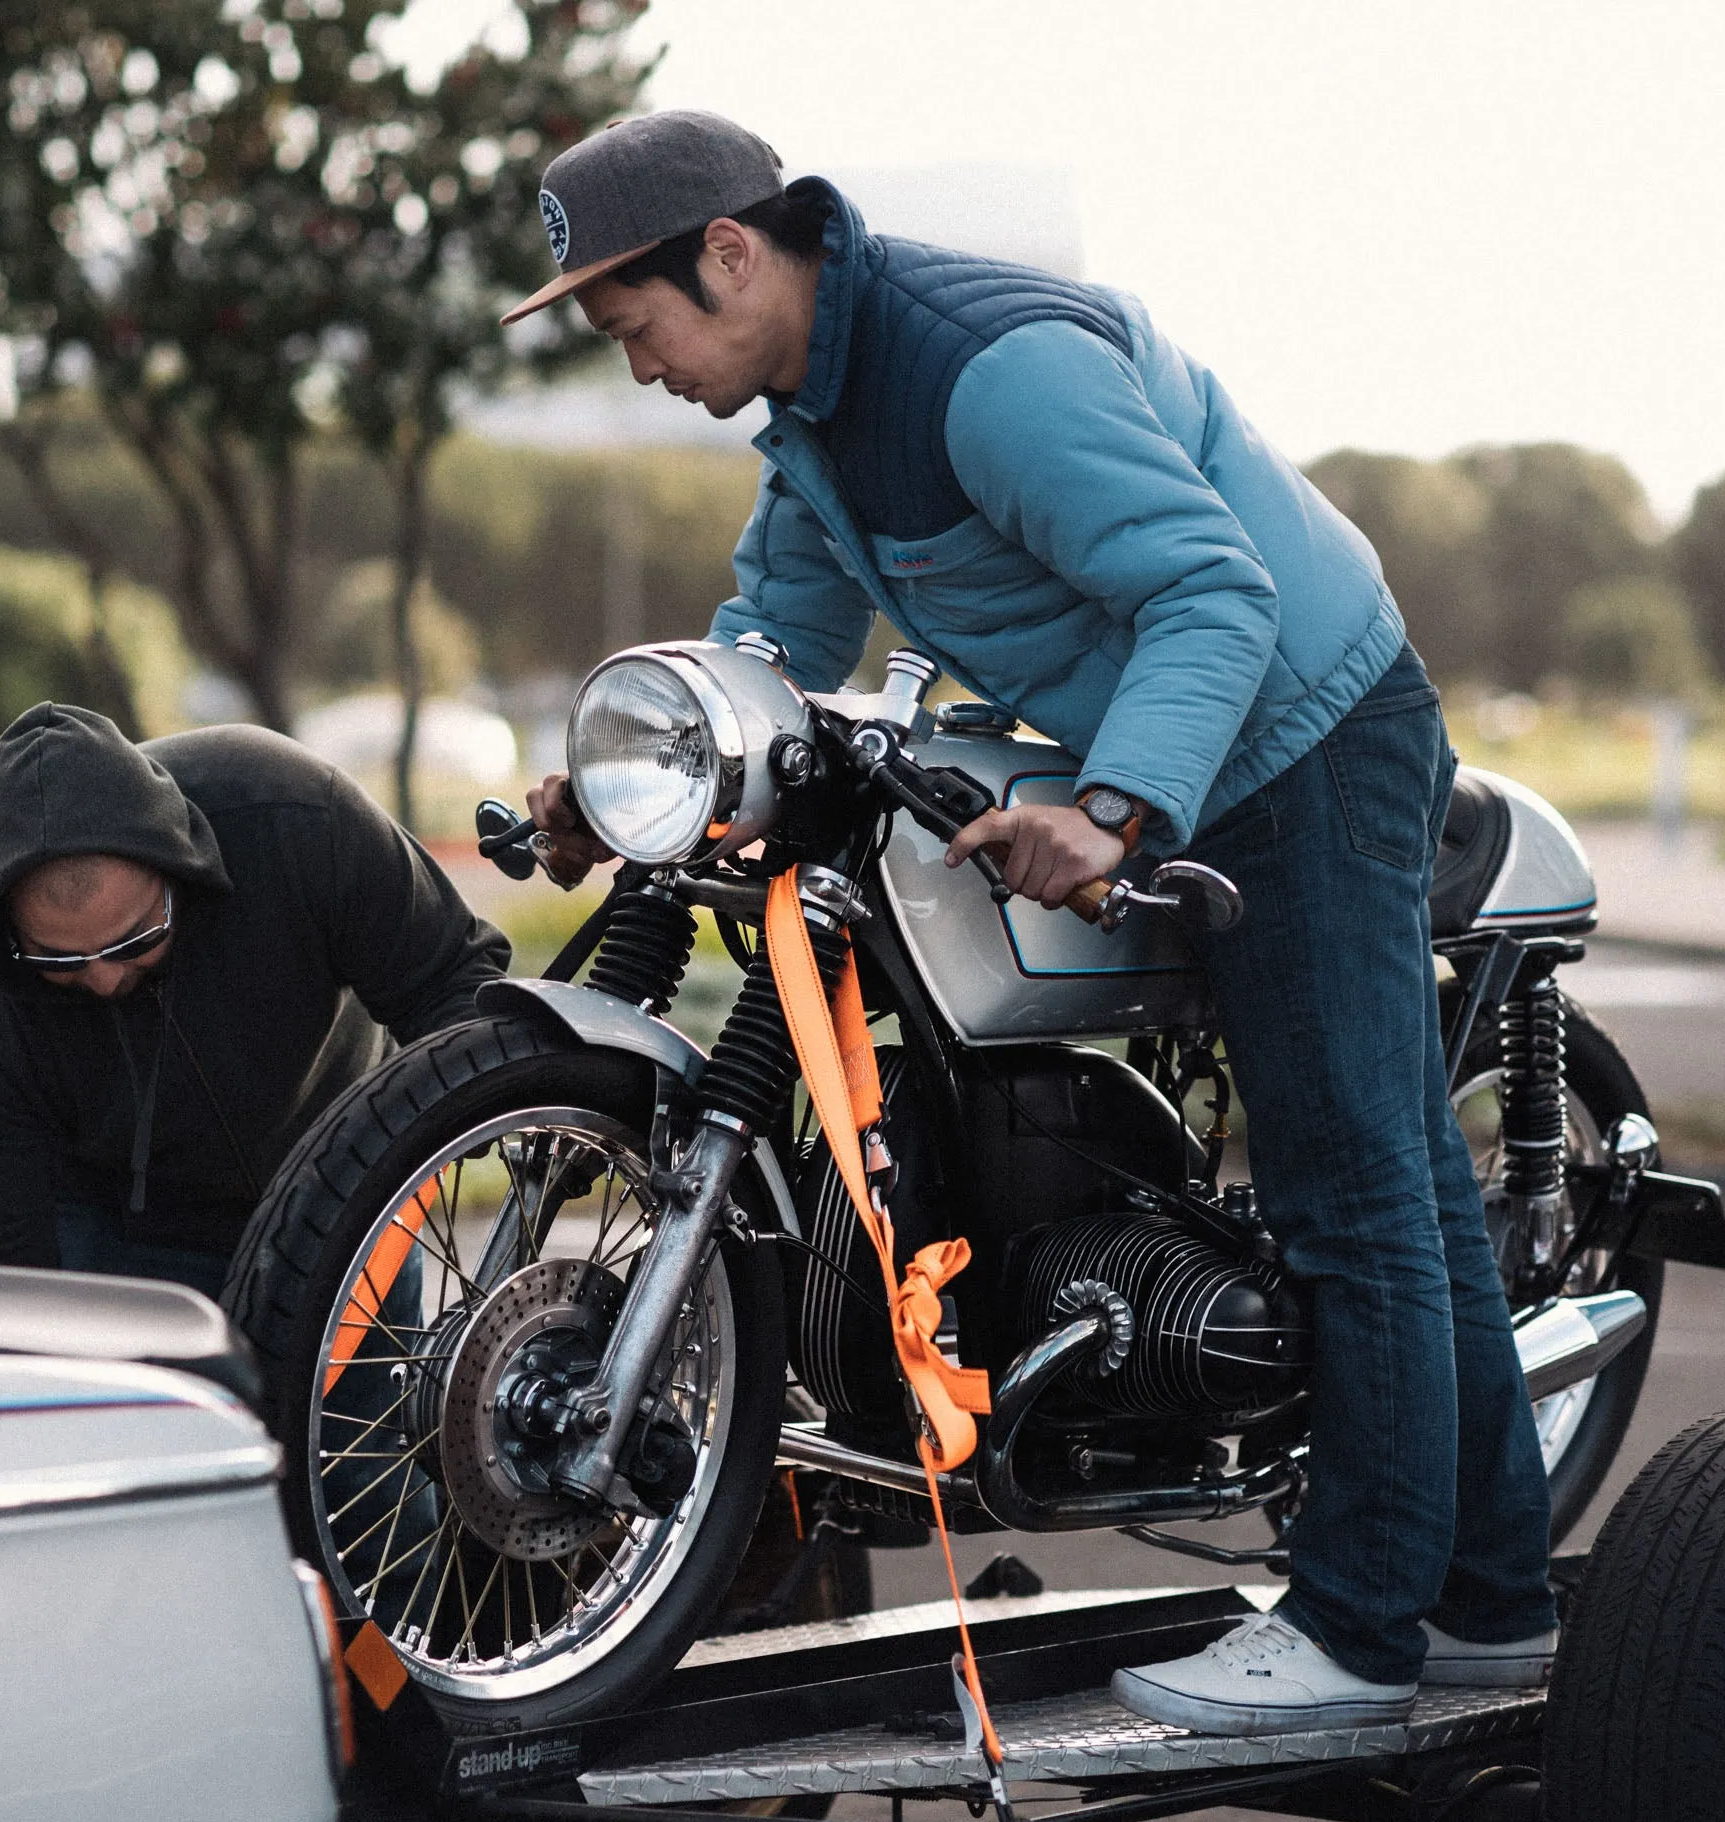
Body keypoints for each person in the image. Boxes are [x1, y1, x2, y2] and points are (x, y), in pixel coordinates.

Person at [511, 109, 1561, 1733]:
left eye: (635, 325)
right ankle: (1493, 1606)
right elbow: (774, 634)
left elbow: (1213, 589)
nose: (639, 368)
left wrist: (1115, 809)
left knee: (1350, 1192)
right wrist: (638, 776)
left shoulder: (982, 372)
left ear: (730, 256)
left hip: (1305, 737)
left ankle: (1359, 1633)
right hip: (1206, 723)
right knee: (1403, 1187)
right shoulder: (820, 416)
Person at [0, 701, 505, 1822]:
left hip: (341, 1196)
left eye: (134, 941)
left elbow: (466, 989)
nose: (106, 981)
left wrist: (429, 1174)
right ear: (9, 930)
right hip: (120, 1248)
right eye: (66, 962)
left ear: (179, 863)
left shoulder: (289, 816)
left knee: (363, 1536)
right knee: (162, 1556)